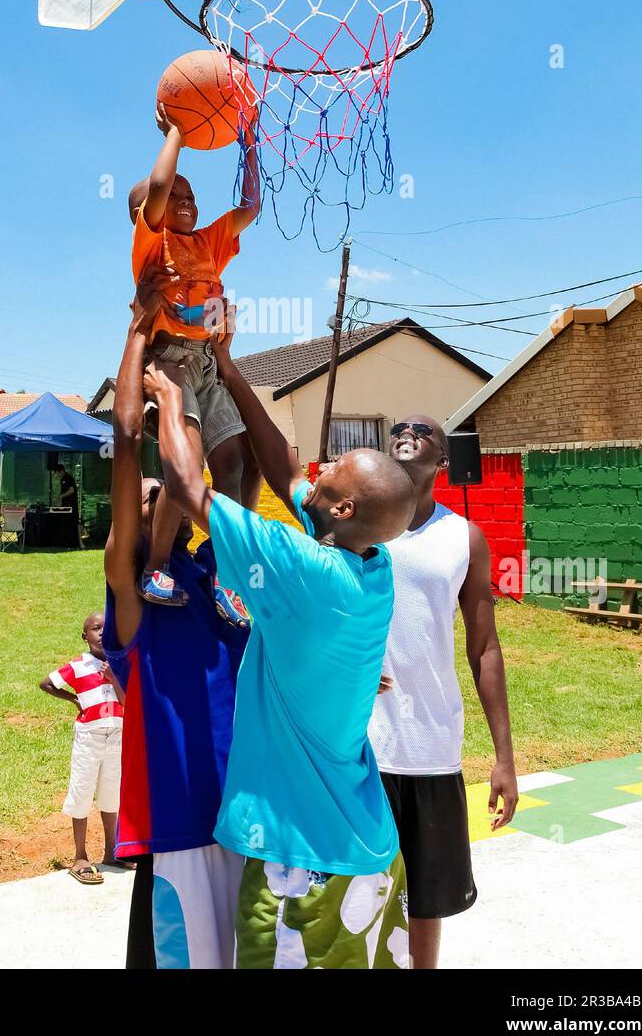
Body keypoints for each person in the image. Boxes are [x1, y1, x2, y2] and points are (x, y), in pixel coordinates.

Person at [143, 317, 417, 970]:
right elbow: (284, 469)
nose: (316, 473)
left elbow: (187, 489)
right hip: (370, 856)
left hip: (303, 872)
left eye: (334, 474)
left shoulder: (306, 570)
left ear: (344, 511)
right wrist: (232, 372)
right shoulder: (371, 564)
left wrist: (174, 394)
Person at [103, 286, 249, 969]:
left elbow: (213, 467)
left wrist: (219, 360)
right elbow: (136, 445)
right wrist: (142, 338)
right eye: (136, 503)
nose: (150, 497)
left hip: (251, 817)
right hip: (184, 835)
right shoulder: (134, 604)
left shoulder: (217, 576)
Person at [368, 415, 519, 969]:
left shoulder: (463, 538)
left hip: (429, 743)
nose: (407, 432)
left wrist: (504, 758)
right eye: (399, 427)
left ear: (443, 463)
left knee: (425, 896)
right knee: (354, 890)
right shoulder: (352, 521)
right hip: (357, 743)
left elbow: (485, 648)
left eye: (423, 431)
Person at [128, 101, 261, 608]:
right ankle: (157, 567)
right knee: (182, 473)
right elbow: (158, 189)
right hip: (170, 363)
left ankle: (225, 570)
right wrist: (178, 134)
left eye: (191, 195)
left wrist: (247, 141)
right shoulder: (151, 242)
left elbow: (250, 205)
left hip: (207, 363)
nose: (184, 200)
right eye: (174, 195)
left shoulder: (210, 242)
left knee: (235, 465)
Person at [39, 613, 125, 885]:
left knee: (111, 794)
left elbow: (130, 698)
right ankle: (80, 855)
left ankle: (111, 851)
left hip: (117, 734)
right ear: (84, 636)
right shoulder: (78, 666)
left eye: (105, 628)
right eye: (94, 629)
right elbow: (46, 683)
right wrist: (74, 699)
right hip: (89, 736)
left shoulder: (120, 664)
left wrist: (114, 679)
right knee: (83, 790)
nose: (101, 632)